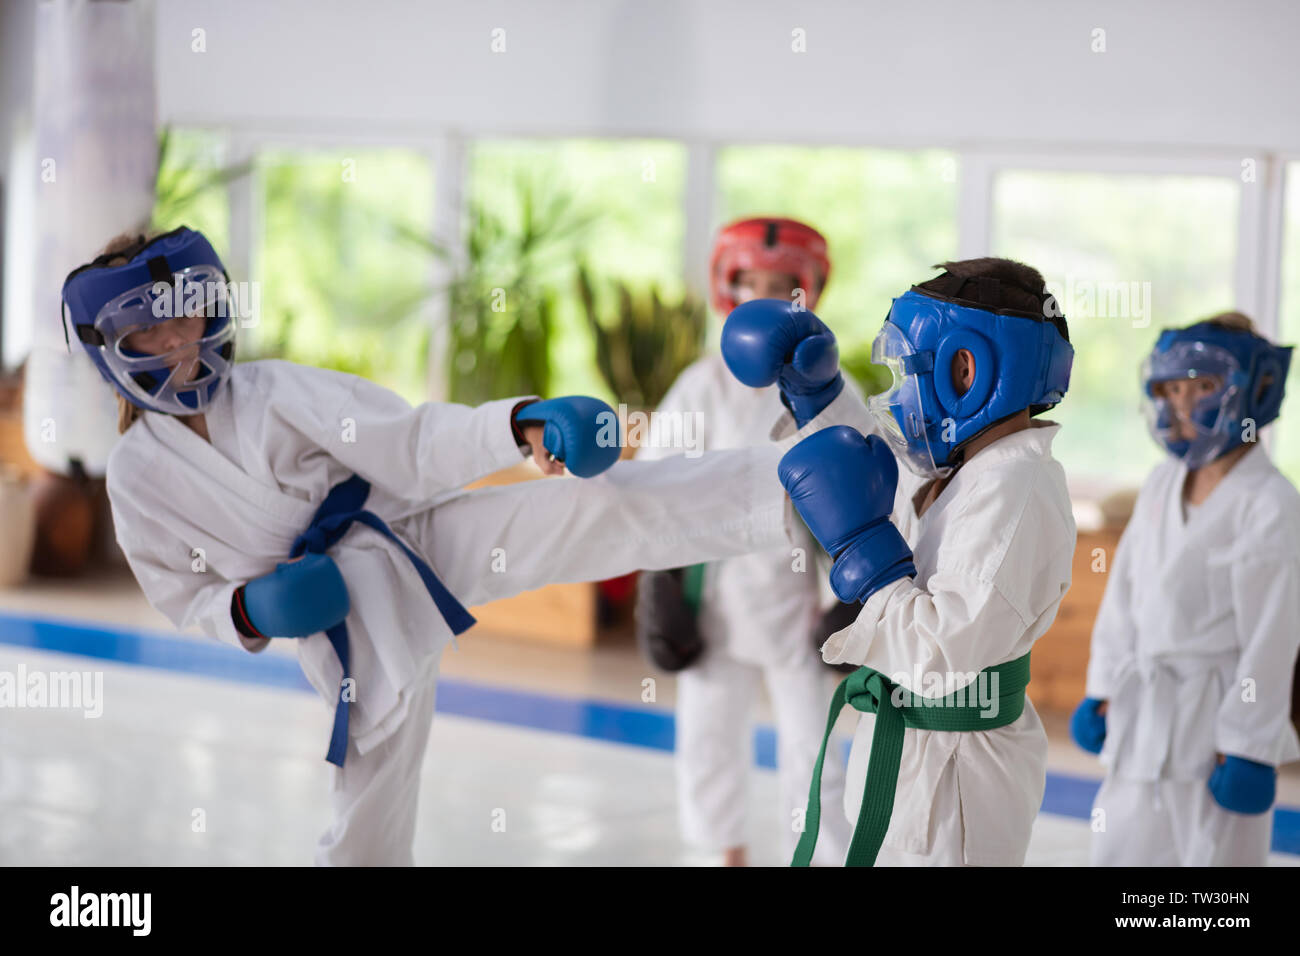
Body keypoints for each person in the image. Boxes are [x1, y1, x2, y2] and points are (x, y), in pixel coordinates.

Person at [64, 226, 808, 865]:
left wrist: (522, 427)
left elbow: (409, 441)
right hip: (342, 618)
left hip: (416, 537)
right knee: (368, 819)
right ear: (110, 347)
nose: (177, 343)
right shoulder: (137, 475)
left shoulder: (270, 391)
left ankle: (795, 488)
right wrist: (250, 610)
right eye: (150, 333)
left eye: (187, 319)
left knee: (599, 509)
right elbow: (181, 593)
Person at [722, 257, 1076, 866]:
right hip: (922, 754)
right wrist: (819, 400)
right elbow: (873, 468)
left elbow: (940, 655)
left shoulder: (1013, 486)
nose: (897, 393)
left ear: (966, 368)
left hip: (957, 778)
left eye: (908, 370)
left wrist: (863, 550)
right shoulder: (964, 468)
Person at [636, 217, 851, 867]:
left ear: (806, 294)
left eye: (780, 285)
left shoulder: (830, 390)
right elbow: (652, 487)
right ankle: (716, 852)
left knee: (815, 749)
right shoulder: (702, 385)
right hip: (713, 594)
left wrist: (855, 591)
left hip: (799, 599)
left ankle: (817, 855)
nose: (764, 295)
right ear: (725, 288)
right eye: (750, 282)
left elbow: (868, 491)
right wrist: (660, 584)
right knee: (706, 737)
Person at [1074, 311, 1299, 866]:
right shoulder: (1161, 481)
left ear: (1255, 391)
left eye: (1203, 387)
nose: (1184, 404)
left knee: (1210, 868)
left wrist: (1250, 743)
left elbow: (1272, 637)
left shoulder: (1270, 502)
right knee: (1119, 849)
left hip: (1214, 720)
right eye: (1172, 389)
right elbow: (1124, 594)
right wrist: (1102, 687)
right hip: (1141, 707)